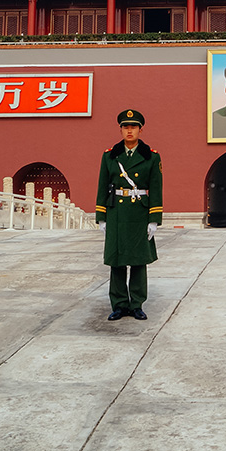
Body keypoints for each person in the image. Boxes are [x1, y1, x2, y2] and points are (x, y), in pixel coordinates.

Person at [95, 109, 163, 321]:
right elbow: (102, 186)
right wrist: (101, 215)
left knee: (137, 260)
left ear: (141, 130)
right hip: (116, 212)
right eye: (126, 127)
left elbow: (156, 187)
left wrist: (154, 219)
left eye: (133, 127)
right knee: (116, 260)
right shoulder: (110, 155)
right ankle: (118, 304)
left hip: (139, 213)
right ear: (121, 130)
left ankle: (136, 304)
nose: (129, 130)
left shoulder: (151, 156)